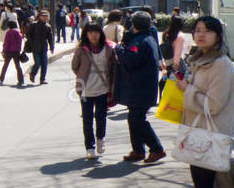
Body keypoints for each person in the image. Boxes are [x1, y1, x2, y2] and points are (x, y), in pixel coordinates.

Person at [174, 15, 234, 188]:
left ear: (218, 36)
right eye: (197, 30)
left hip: (209, 135)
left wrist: (187, 90)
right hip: (202, 134)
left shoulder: (220, 64)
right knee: (203, 187)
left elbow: (213, 104)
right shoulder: (201, 61)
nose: (201, 35)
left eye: (207, 31)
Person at [116, 11, 167, 163]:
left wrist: (119, 50)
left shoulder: (139, 42)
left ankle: (157, 148)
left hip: (139, 88)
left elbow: (130, 60)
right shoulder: (148, 38)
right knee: (134, 119)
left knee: (137, 119)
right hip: (144, 87)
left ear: (133, 25)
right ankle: (138, 150)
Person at [71, 21, 116, 160]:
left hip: (103, 89)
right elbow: (75, 66)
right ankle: (89, 148)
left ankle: (100, 139)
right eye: (90, 33)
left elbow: (113, 67)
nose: (94, 35)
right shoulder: (81, 50)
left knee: (101, 117)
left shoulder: (108, 49)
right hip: (85, 90)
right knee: (87, 120)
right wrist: (83, 75)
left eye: (96, 32)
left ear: (100, 33)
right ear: (86, 35)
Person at [25, 9, 55, 84]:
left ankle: (42, 79)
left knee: (44, 64)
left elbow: (50, 38)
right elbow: (28, 34)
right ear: (39, 17)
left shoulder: (48, 27)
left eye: (46, 16)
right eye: (43, 16)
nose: (45, 18)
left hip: (44, 47)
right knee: (37, 63)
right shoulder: (33, 25)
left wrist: (52, 47)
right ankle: (33, 73)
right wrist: (32, 42)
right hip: (35, 47)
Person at [0, 19, 26, 86]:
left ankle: (1, 77)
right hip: (16, 51)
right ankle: (21, 79)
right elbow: (20, 42)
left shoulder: (9, 32)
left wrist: (4, 51)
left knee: (5, 65)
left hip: (9, 51)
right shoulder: (18, 32)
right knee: (17, 66)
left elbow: (6, 43)